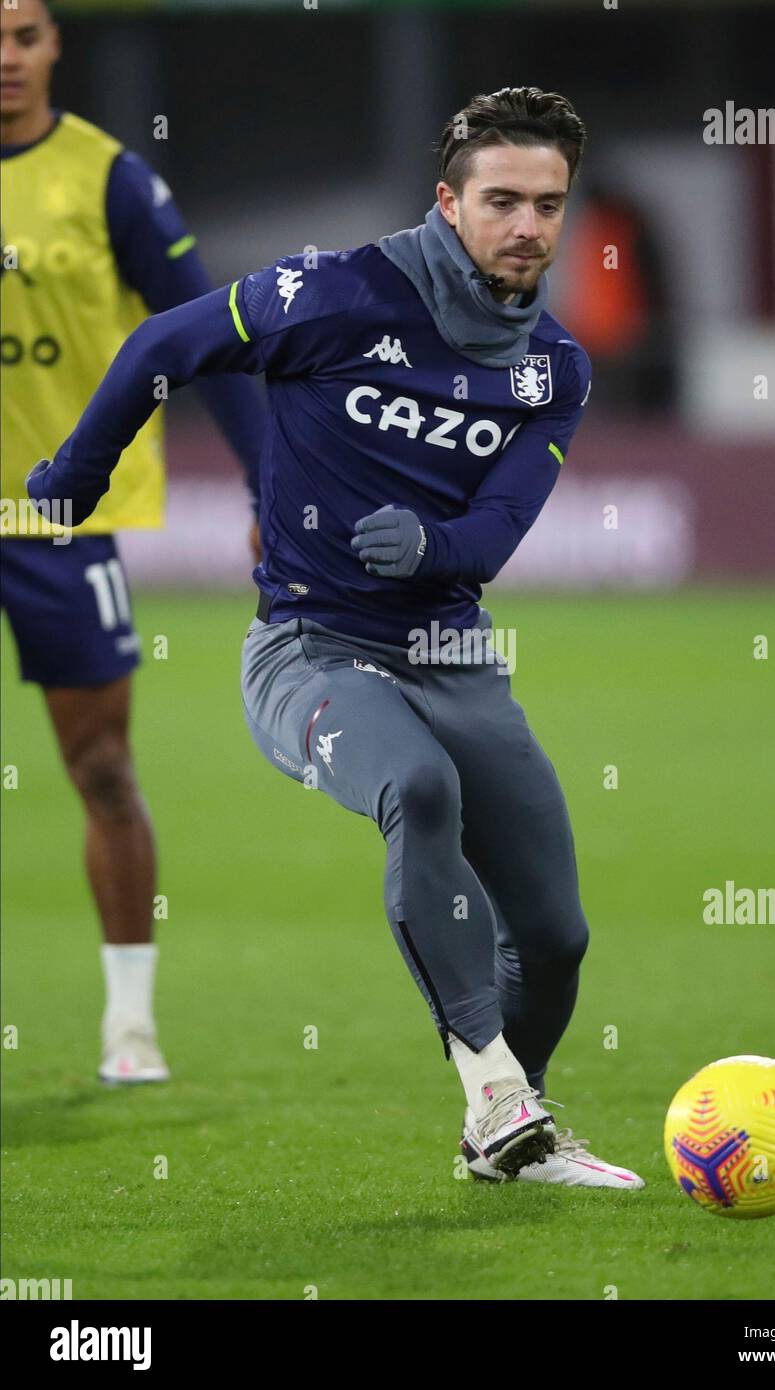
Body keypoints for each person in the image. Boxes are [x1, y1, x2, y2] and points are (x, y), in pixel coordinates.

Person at [28, 85, 646, 1188]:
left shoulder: (553, 364)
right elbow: (164, 342)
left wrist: (438, 547)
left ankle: (502, 1139)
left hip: (453, 655)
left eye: (547, 205)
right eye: (501, 200)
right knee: (414, 789)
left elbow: (499, 527)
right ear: (447, 204)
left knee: (552, 936)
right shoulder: (337, 290)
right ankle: (494, 1093)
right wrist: (77, 475)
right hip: (311, 649)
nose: (527, 227)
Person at [1, 0, 265, 1084]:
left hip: (59, 519)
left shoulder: (109, 179)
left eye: (23, 35)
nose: (3, 58)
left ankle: (129, 1024)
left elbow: (204, 330)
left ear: (58, 44)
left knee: (102, 764)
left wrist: (269, 479)